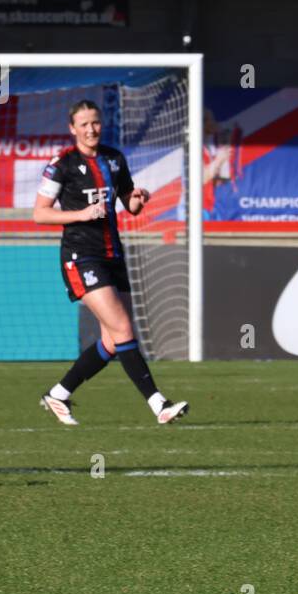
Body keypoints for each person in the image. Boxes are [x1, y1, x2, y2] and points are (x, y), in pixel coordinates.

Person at [35, 99, 187, 427]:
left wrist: (136, 200)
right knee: (123, 330)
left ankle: (59, 394)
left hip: (112, 254)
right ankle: (159, 404)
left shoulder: (114, 158)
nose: (91, 129)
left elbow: (129, 205)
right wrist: (81, 214)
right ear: (72, 129)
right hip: (80, 257)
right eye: (84, 124)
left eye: (96, 123)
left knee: (111, 341)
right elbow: (40, 213)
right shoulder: (61, 163)